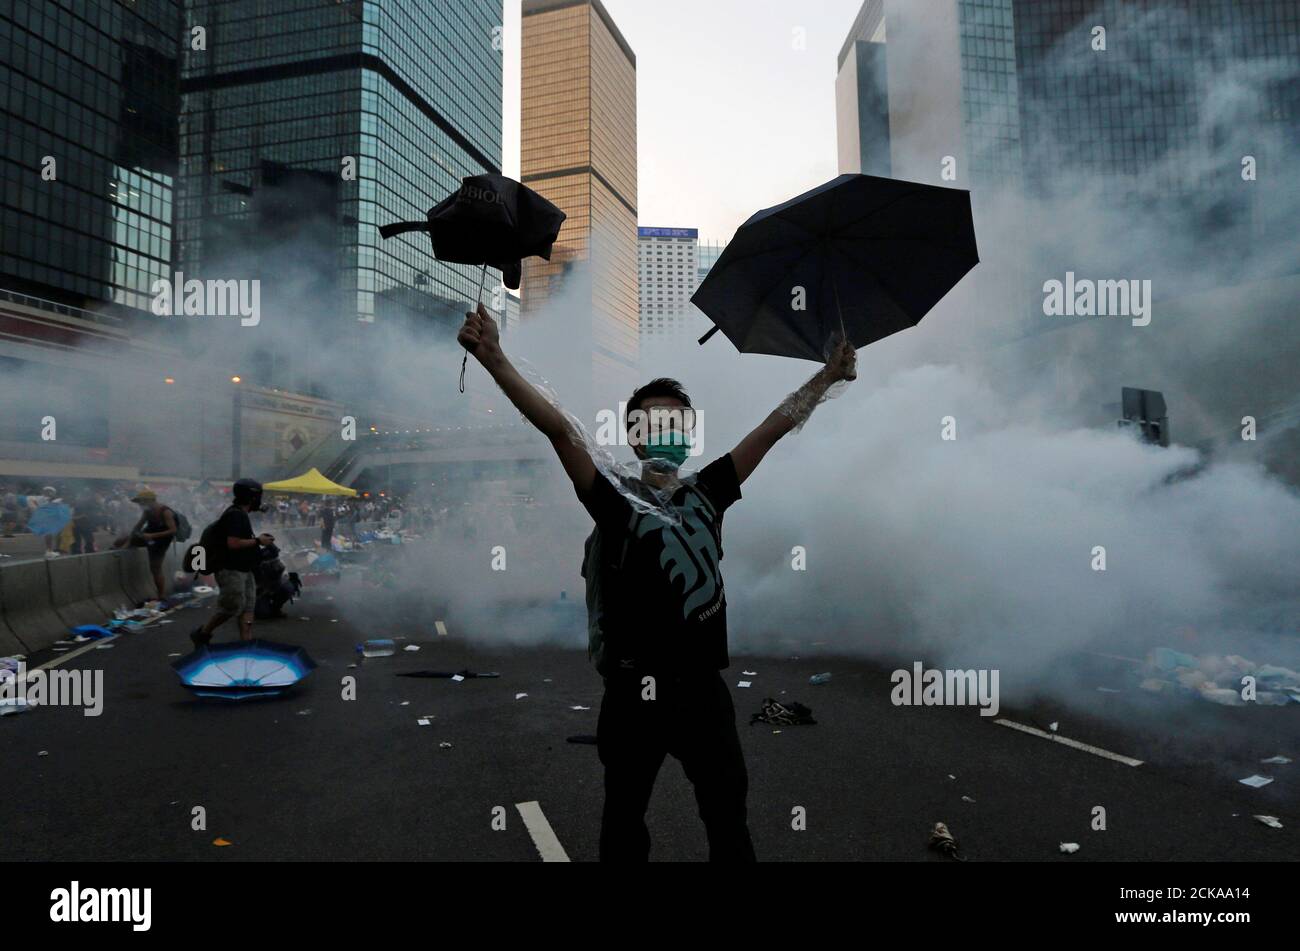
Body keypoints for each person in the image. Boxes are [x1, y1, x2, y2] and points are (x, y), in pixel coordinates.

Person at [458, 302, 856, 862]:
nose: (666, 430)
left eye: (677, 420)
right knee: (623, 824)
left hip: (702, 691)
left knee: (728, 822)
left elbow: (774, 427)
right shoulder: (613, 498)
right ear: (634, 435)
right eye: (653, 420)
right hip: (631, 692)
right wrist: (495, 359)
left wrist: (827, 377)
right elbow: (559, 428)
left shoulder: (708, 492)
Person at [191, 478, 275, 647]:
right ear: (251, 497)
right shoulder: (235, 515)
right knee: (231, 607)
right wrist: (259, 541)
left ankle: (247, 643)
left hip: (245, 568)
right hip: (230, 569)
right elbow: (233, 543)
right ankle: (203, 633)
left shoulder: (240, 513)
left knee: (248, 607)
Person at [115, 489, 177, 600]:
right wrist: (128, 541)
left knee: (155, 568)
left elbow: (172, 530)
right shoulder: (147, 512)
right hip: (148, 537)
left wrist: (153, 535)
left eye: (142, 502)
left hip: (161, 541)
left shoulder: (165, 511)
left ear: (150, 501)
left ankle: (161, 594)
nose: (140, 505)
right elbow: (137, 527)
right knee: (120, 540)